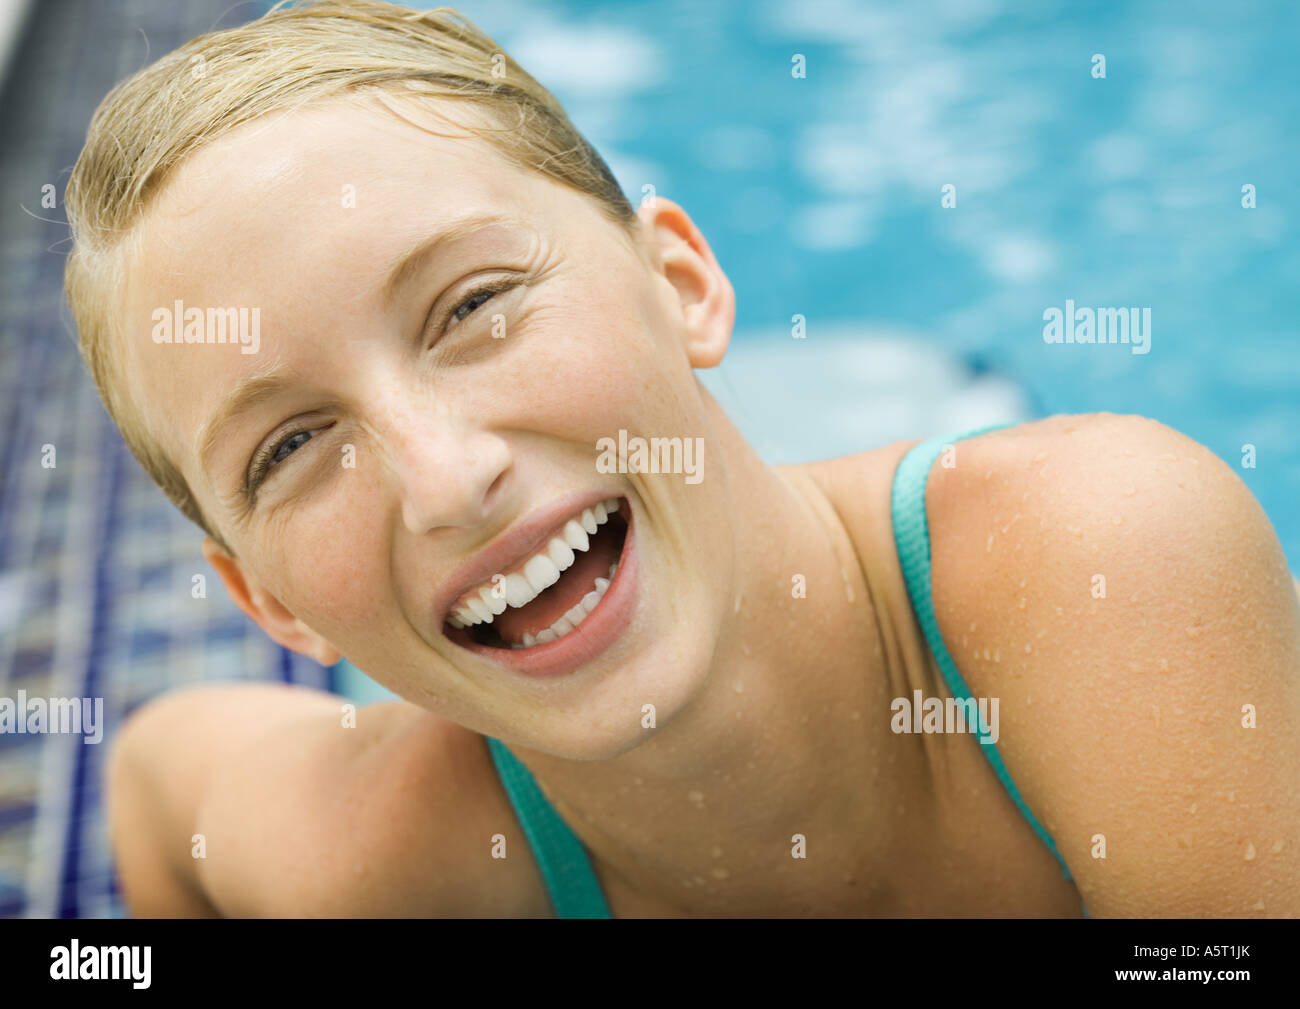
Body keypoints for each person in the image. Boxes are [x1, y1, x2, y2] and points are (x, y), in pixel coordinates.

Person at [68, 1, 1299, 917]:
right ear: (269, 600)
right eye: (292, 444)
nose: (446, 481)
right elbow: (157, 781)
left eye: (472, 305)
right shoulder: (389, 860)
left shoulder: (1104, 568)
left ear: (683, 284)